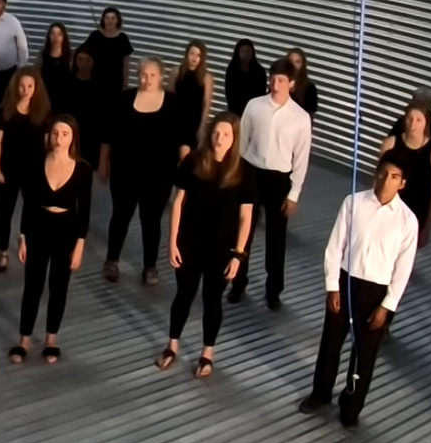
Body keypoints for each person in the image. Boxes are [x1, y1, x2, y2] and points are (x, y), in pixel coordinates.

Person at [298, 156, 418, 427]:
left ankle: (351, 406)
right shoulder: (353, 203)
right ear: (376, 174)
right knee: (330, 343)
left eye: (394, 177)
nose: (386, 180)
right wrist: (332, 286)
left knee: (363, 355)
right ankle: (321, 394)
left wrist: (387, 307)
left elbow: (402, 270)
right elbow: (334, 247)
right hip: (345, 281)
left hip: (376, 292)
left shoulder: (407, 221)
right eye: (383, 173)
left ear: (402, 184)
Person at [156, 114, 254, 377]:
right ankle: (172, 346)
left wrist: (238, 255)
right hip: (190, 242)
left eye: (225, 135)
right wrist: (172, 242)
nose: (219, 139)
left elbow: (246, 217)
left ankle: (206, 353)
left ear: (234, 139)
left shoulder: (244, 171)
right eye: (216, 133)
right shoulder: (193, 161)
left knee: (213, 300)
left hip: (222, 249)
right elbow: (177, 203)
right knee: (184, 295)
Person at [230, 59, 313, 310]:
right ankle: (237, 281)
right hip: (252, 173)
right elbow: (242, 142)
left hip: (279, 180)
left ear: (292, 84)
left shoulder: (301, 118)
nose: (275, 85)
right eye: (273, 79)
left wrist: (294, 194)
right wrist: (237, 176)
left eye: (280, 81)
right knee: (243, 230)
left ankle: (273, 289)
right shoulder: (254, 106)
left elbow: (301, 157)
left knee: (276, 238)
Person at [11, 114, 92, 365]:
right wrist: (22, 236)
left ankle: (51, 339)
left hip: (66, 231)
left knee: (59, 286)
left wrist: (80, 245)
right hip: (38, 226)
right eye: (56, 133)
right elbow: (28, 204)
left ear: (73, 138)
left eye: (65, 134)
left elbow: (84, 212)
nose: (59, 139)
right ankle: (24, 338)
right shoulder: (37, 162)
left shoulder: (82, 169)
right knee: (32, 286)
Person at [102, 57, 189, 285]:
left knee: (151, 221)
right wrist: (103, 164)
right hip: (124, 173)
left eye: (152, 74)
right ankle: (112, 260)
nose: (147, 78)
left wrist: (187, 169)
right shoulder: (124, 99)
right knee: (120, 216)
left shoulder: (173, 103)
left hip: (160, 175)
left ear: (160, 77)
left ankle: (150, 267)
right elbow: (109, 135)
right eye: (143, 74)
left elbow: (183, 139)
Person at [0, 67, 50, 273]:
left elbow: (47, 144)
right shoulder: (5, 111)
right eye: (22, 86)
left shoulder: (43, 113)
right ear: (16, 87)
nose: (26, 90)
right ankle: (3, 250)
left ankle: (25, 240)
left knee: (31, 210)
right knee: (4, 212)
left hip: (33, 171)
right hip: (8, 169)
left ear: (36, 88)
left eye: (30, 86)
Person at [378, 102, 431, 248]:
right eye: (409, 118)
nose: (413, 124)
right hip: (389, 211)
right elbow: (377, 181)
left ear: (426, 123)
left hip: (416, 214)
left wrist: (427, 228)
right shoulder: (390, 144)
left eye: (418, 120)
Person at [171, 41, 215, 149]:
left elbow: (206, 103)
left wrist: (202, 126)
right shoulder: (177, 71)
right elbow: (169, 96)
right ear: (186, 54)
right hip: (177, 119)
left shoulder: (206, 77)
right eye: (192, 53)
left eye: (198, 55)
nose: (194, 58)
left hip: (194, 121)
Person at [83, 6, 132, 98]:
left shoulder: (123, 38)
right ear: (103, 20)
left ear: (118, 20)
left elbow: (126, 63)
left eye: (113, 18)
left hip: (116, 83)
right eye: (107, 18)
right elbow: (82, 53)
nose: (110, 21)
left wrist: (125, 84)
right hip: (96, 80)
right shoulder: (95, 36)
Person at [224, 39, 265, 116]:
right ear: (237, 53)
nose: (246, 55)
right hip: (234, 111)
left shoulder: (259, 71)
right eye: (242, 52)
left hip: (253, 112)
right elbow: (229, 92)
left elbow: (261, 95)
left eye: (248, 52)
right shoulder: (232, 69)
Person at [37, 22, 73, 108]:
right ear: (48, 37)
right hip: (45, 100)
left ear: (64, 37)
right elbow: (36, 77)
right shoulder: (42, 56)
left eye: (59, 34)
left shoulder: (70, 57)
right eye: (53, 34)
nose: (55, 38)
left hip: (65, 100)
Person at [284, 48, 319, 120]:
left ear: (302, 64)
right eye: (290, 61)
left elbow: (310, 115)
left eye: (297, 62)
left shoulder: (309, 88)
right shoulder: (279, 82)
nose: (293, 65)